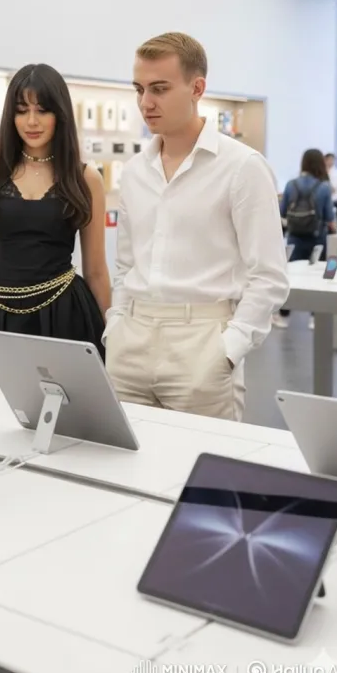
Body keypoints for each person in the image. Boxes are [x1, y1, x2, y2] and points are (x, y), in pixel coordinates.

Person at [103, 31, 289, 422]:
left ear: (197, 88)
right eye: (139, 89)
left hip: (203, 340)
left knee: (201, 476)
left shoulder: (243, 167)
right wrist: (115, 326)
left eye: (159, 89)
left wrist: (228, 349)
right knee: (119, 473)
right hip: (130, 342)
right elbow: (125, 264)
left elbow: (269, 275)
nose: (145, 103)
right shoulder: (136, 172)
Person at [0, 63, 110, 374]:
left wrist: (114, 335)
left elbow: (96, 269)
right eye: (22, 110)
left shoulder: (85, 177)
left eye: (43, 110)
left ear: (60, 114)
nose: (32, 121)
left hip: (67, 317)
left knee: (68, 417)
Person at [273, 148, 337, 331]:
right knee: (321, 277)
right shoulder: (324, 187)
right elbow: (329, 216)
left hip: (295, 237)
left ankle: (284, 316)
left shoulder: (291, 185)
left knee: (290, 277)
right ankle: (315, 317)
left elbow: (282, 211)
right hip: (318, 238)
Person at [325, 153, 337, 228]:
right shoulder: (321, 172)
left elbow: (333, 189)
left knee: (335, 224)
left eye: (332, 160)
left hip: (334, 201)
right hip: (324, 201)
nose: (330, 162)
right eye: (328, 160)